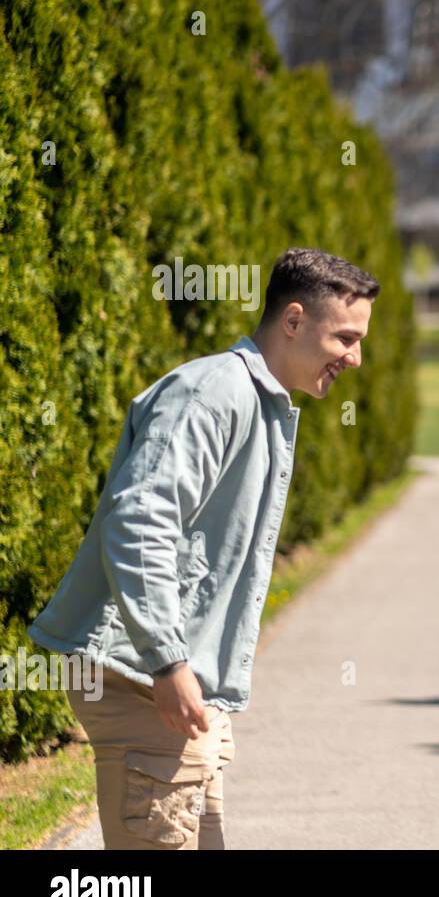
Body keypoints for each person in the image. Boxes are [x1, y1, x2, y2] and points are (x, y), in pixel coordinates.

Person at [27, 248, 378, 849]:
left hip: (173, 682)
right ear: (293, 320)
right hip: (140, 676)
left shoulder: (259, 403)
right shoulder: (213, 395)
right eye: (345, 337)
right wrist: (167, 661)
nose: (356, 357)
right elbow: (138, 521)